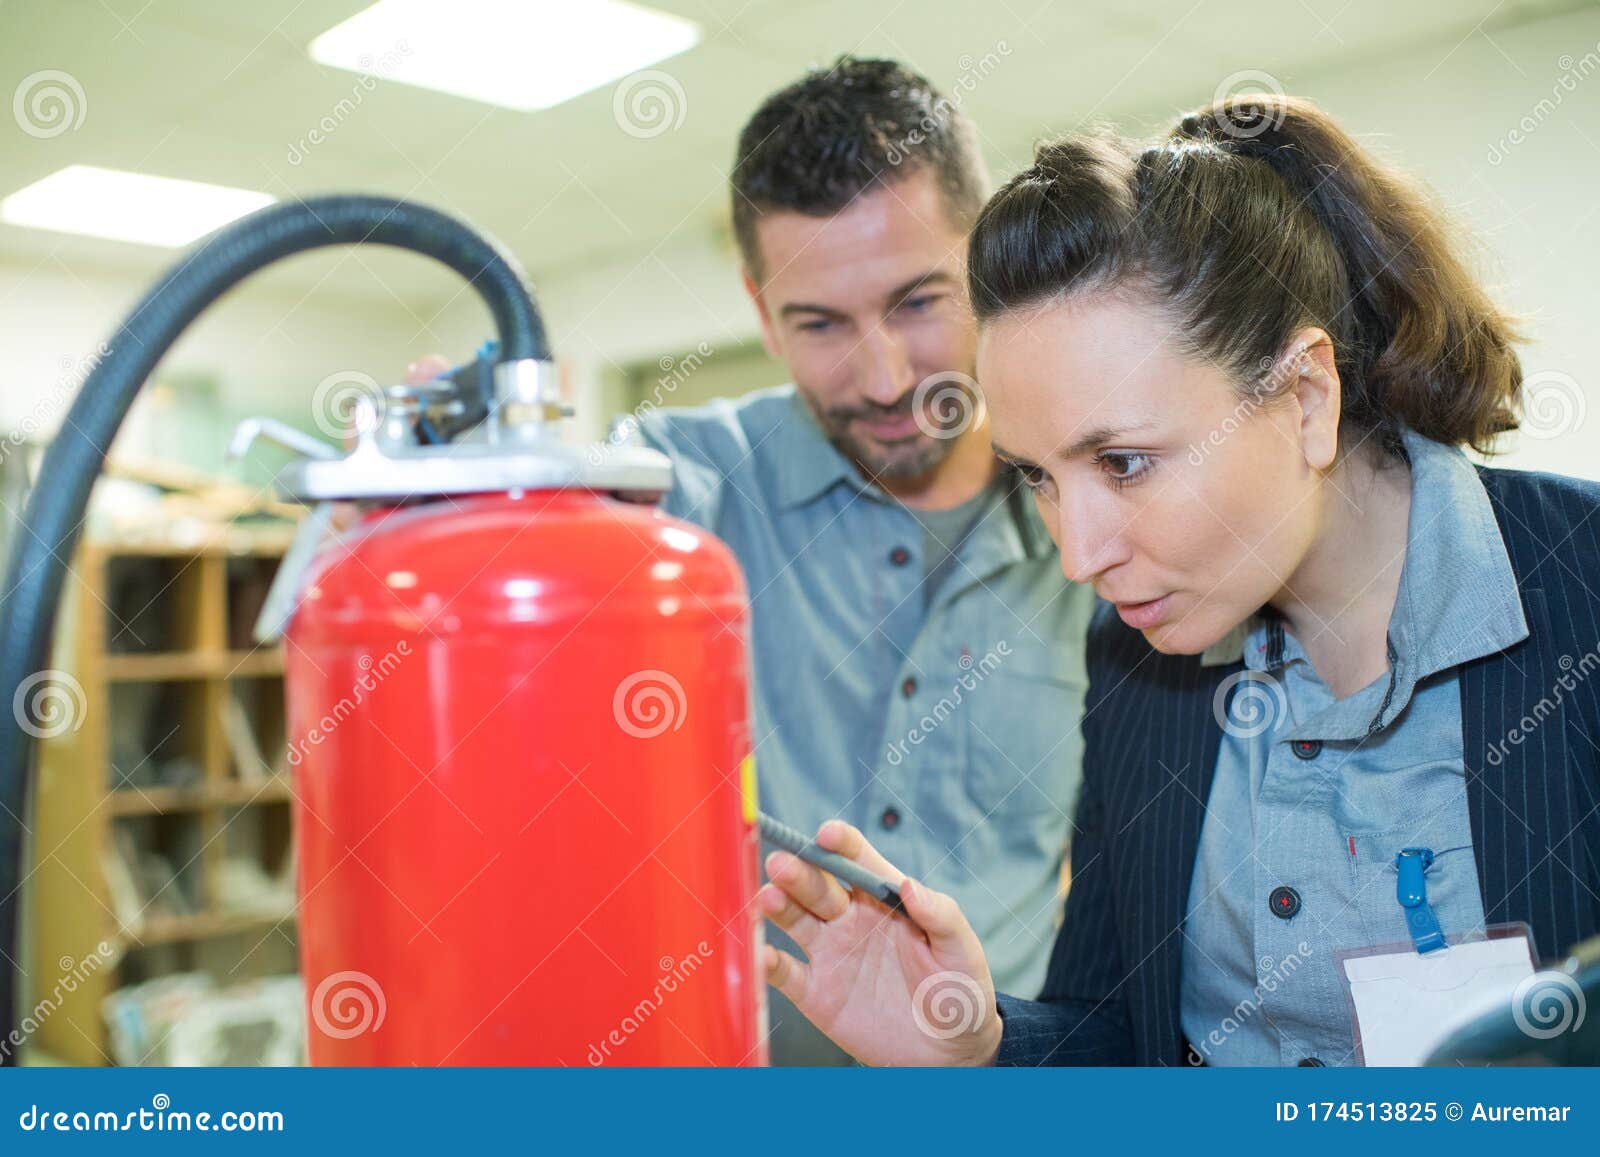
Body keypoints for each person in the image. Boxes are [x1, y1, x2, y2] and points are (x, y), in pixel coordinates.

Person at [755, 93, 1600, 1067]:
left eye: (1121, 462)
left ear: (1304, 396)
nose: (1078, 554)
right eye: (1037, 475)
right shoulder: (1136, 659)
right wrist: (975, 1041)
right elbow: (1119, 1036)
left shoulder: (1577, 584)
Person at [417, 58, 1096, 1065]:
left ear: (985, 255)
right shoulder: (684, 483)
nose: (883, 375)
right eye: (819, 323)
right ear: (757, 303)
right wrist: (448, 471)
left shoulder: (1096, 516)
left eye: (917, 301)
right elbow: (520, 525)